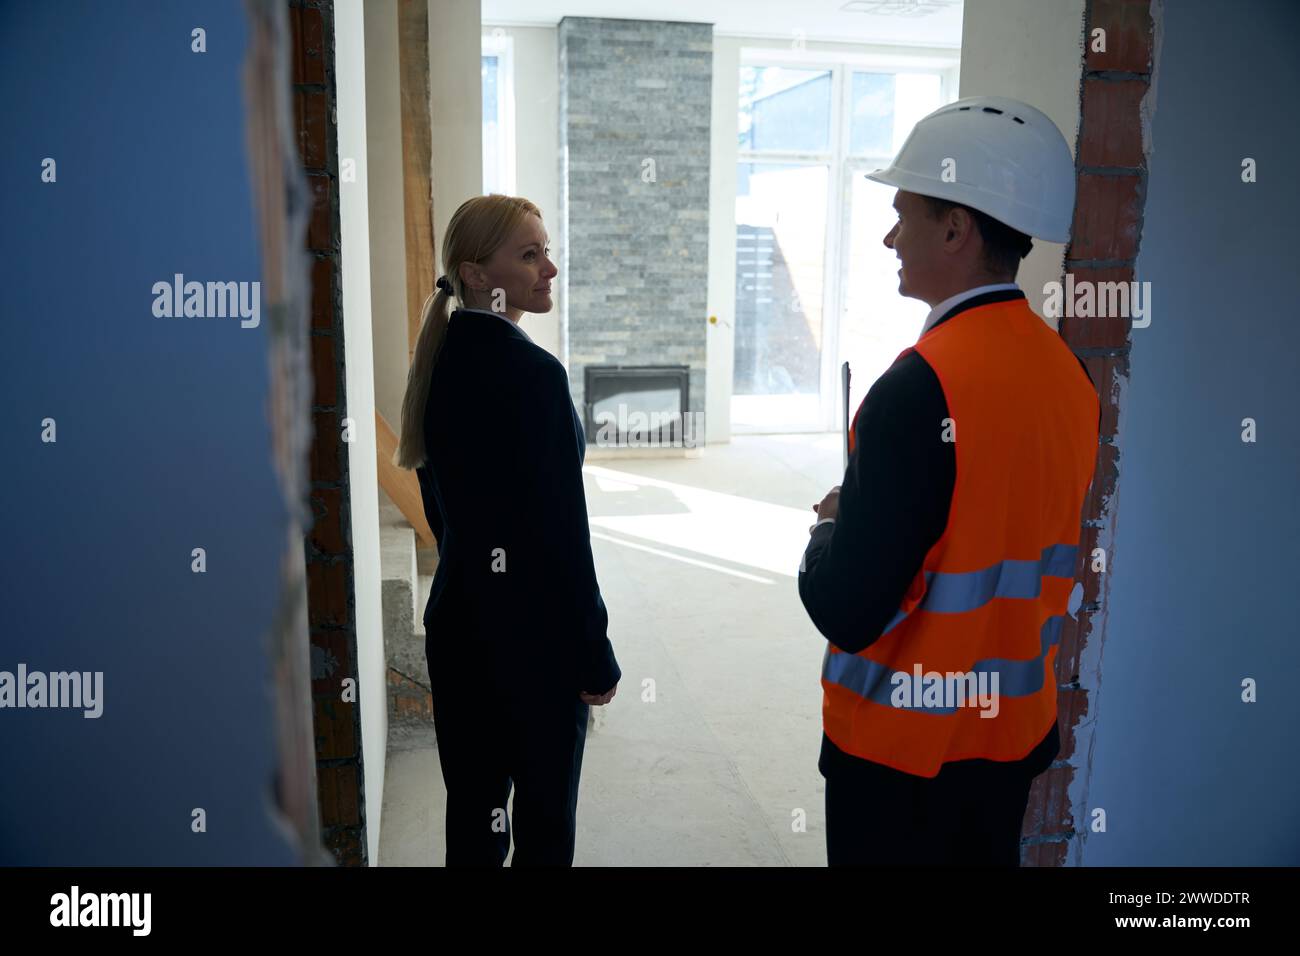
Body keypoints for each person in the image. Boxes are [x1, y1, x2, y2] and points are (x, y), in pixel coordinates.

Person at [798, 96, 1101, 866]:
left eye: (905, 215)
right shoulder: (1067, 375)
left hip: (901, 756)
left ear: (957, 229)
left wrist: (832, 527)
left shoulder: (920, 388)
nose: (890, 236)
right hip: (1007, 737)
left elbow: (849, 609)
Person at [394, 194, 620, 866]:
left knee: (475, 822)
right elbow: (562, 539)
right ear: (476, 273)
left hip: (460, 629)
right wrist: (594, 650)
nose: (549, 268)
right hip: (535, 645)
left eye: (545, 251)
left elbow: (442, 512)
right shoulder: (535, 376)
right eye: (529, 255)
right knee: (545, 832)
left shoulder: (437, 364)